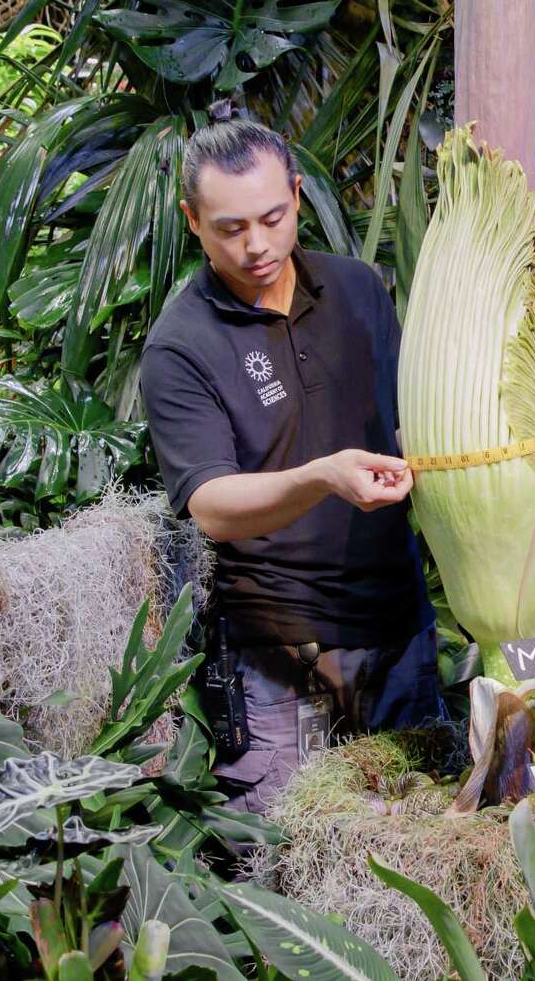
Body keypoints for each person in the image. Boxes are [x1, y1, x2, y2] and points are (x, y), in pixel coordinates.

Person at [141, 116, 440, 814]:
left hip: (398, 630)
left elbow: (408, 425)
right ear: (192, 220)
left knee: (416, 851)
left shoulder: (360, 291)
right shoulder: (181, 345)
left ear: (298, 197)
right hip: (276, 653)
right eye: (230, 227)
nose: (256, 245)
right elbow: (210, 505)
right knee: (286, 868)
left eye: (273, 218)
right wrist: (320, 477)